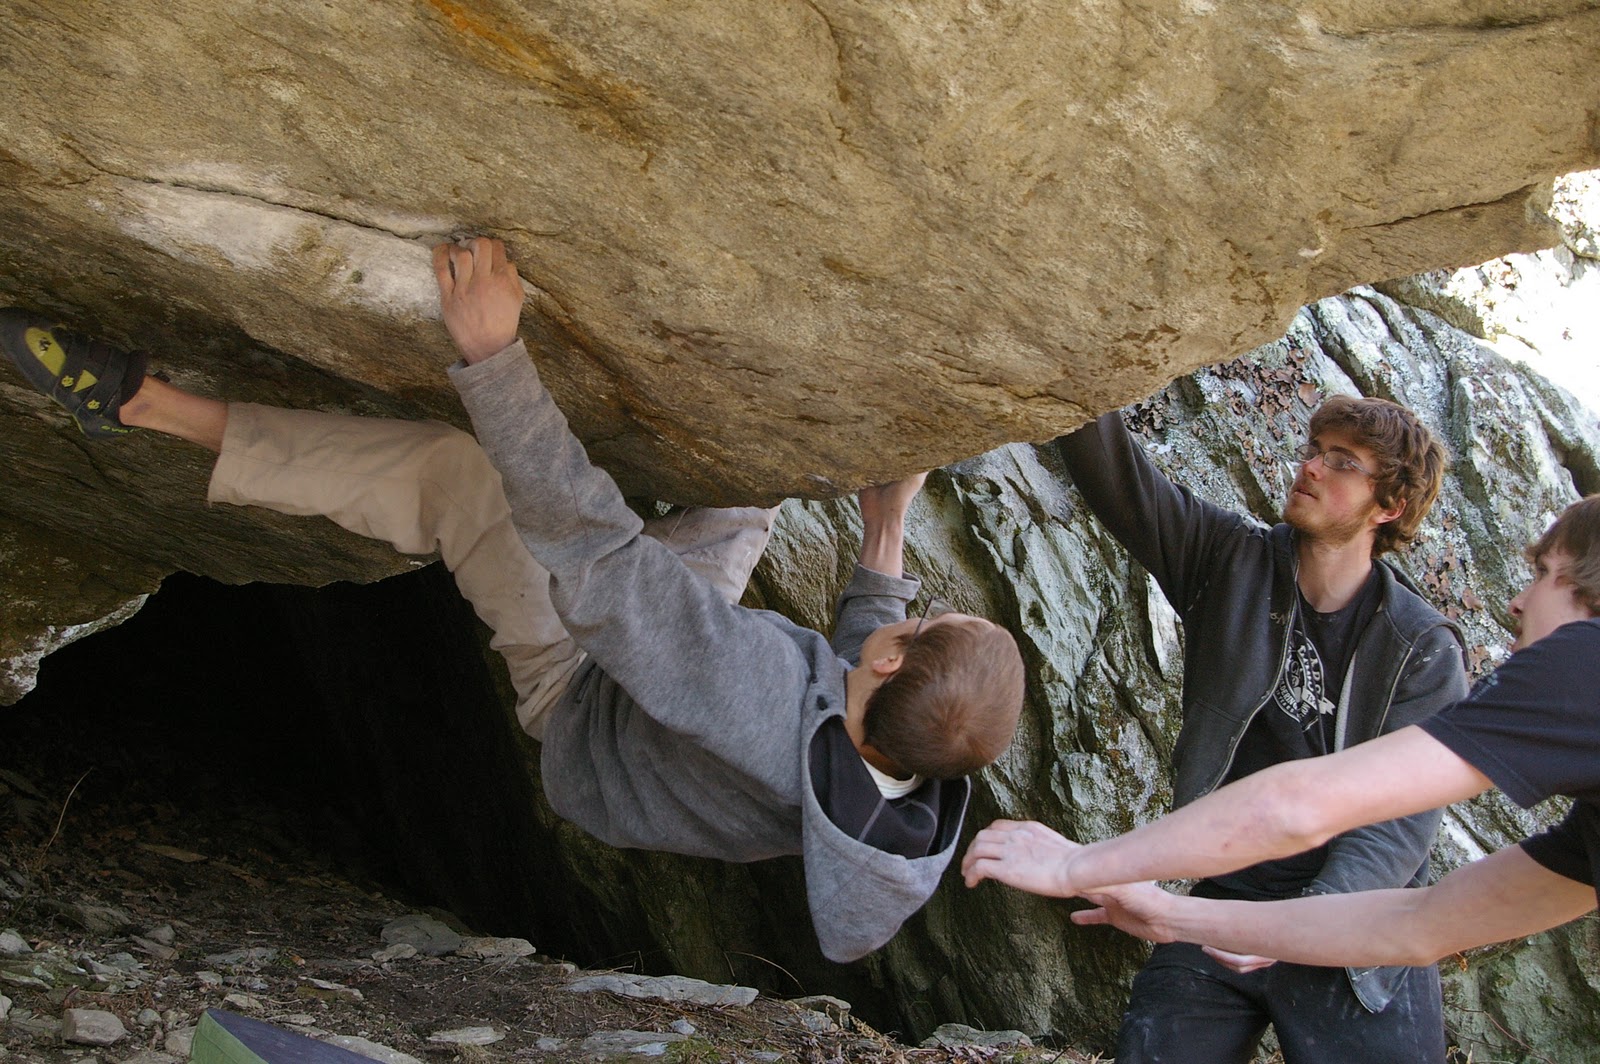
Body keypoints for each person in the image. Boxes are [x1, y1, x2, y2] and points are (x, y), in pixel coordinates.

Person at [0, 236, 1026, 963]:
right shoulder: (911, 777)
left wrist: (495, 356)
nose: (909, 610)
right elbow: (856, 699)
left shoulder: (757, 691)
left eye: (922, 614)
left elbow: (599, 559)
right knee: (756, 482)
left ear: (893, 660)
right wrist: (882, 534)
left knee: (464, 476)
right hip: (679, 690)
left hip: (585, 689)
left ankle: (143, 403)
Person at [961, 493, 1600, 981]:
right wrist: (1175, 917)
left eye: (1543, 572)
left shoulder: (1582, 663)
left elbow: (1301, 809)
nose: (1517, 602)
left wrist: (1077, 865)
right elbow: (1419, 924)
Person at [1032, 400, 1467, 1062]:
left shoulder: (1422, 650)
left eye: (1342, 462)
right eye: (1314, 447)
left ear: (1391, 506)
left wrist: (1296, 929)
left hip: (1357, 926)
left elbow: (1398, 830)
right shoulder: (1227, 561)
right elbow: (1117, 477)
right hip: (1223, 905)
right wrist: (1077, 364)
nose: (1311, 466)